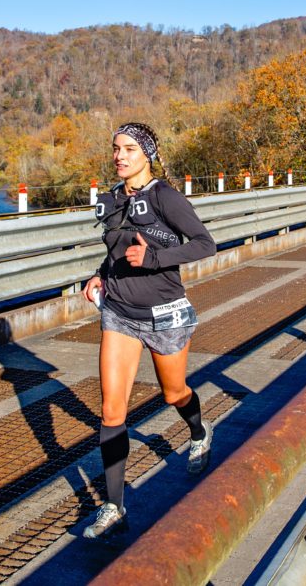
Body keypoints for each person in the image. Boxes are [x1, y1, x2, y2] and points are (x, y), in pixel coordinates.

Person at [81, 122, 217, 539]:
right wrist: (99, 276)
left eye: (129, 149)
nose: (120, 156)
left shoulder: (165, 197)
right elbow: (117, 250)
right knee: (111, 411)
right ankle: (113, 505)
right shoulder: (115, 201)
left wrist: (155, 258)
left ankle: (198, 431)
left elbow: (204, 244)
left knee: (174, 393)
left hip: (164, 313)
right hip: (120, 311)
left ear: (148, 155)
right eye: (116, 149)